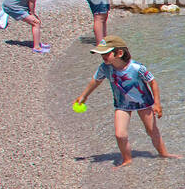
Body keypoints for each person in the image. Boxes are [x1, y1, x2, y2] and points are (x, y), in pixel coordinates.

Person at [74, 37, 179, 168]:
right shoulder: (105, 68)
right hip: (122, 104)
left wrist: (157, 104)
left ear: (119, 53)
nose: (103, 57)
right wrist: (84, 96)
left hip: (143, 103)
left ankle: (164, 154)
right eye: (101, 54)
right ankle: (127, 159)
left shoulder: (136, 67)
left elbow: (152, 82)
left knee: (152, 130)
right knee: (120, 134)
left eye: (106, 54)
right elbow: (96, 81)